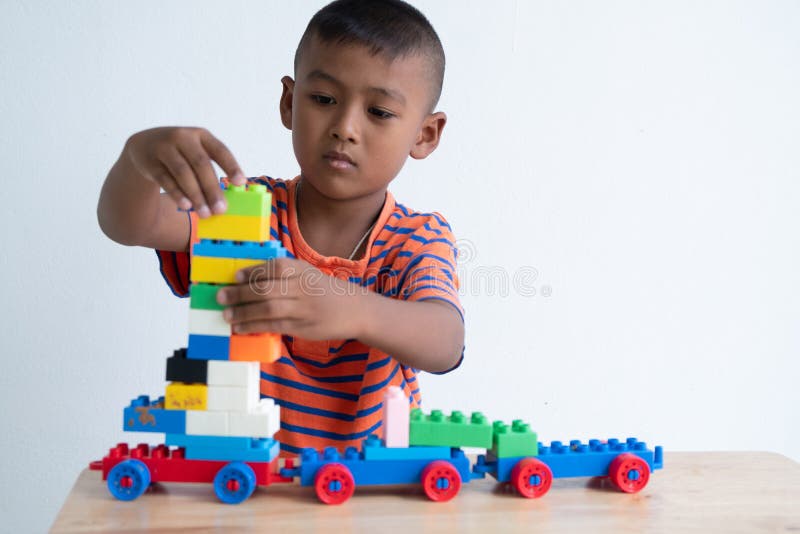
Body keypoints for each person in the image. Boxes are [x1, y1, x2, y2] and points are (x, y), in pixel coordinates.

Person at [97, 0, 464, 455]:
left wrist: (351, 307)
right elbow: (131, 223)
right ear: (290, 102)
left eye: (380, 112)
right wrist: (137, 160)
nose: (345, 127)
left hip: (368, 491)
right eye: (324, 99)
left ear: (425, 135)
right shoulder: (244, 209)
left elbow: (446, 341)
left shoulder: (417, 238)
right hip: (245, 480)